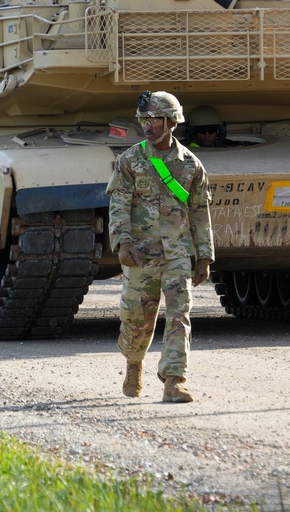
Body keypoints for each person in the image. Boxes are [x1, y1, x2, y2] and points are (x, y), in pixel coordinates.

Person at [106, 90, 215, 403]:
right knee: (136, 319)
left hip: (177, 253)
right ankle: (133, 362)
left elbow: (199, 212)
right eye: (144, 120)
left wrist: (204, 256)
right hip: (141, 253)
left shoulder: (191, 165)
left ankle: (174, 379)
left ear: (171, 122)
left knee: (180, 314)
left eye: (154, 119)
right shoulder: (129, 160)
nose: (147, 125)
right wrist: (123, 242)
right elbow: (119, 205)